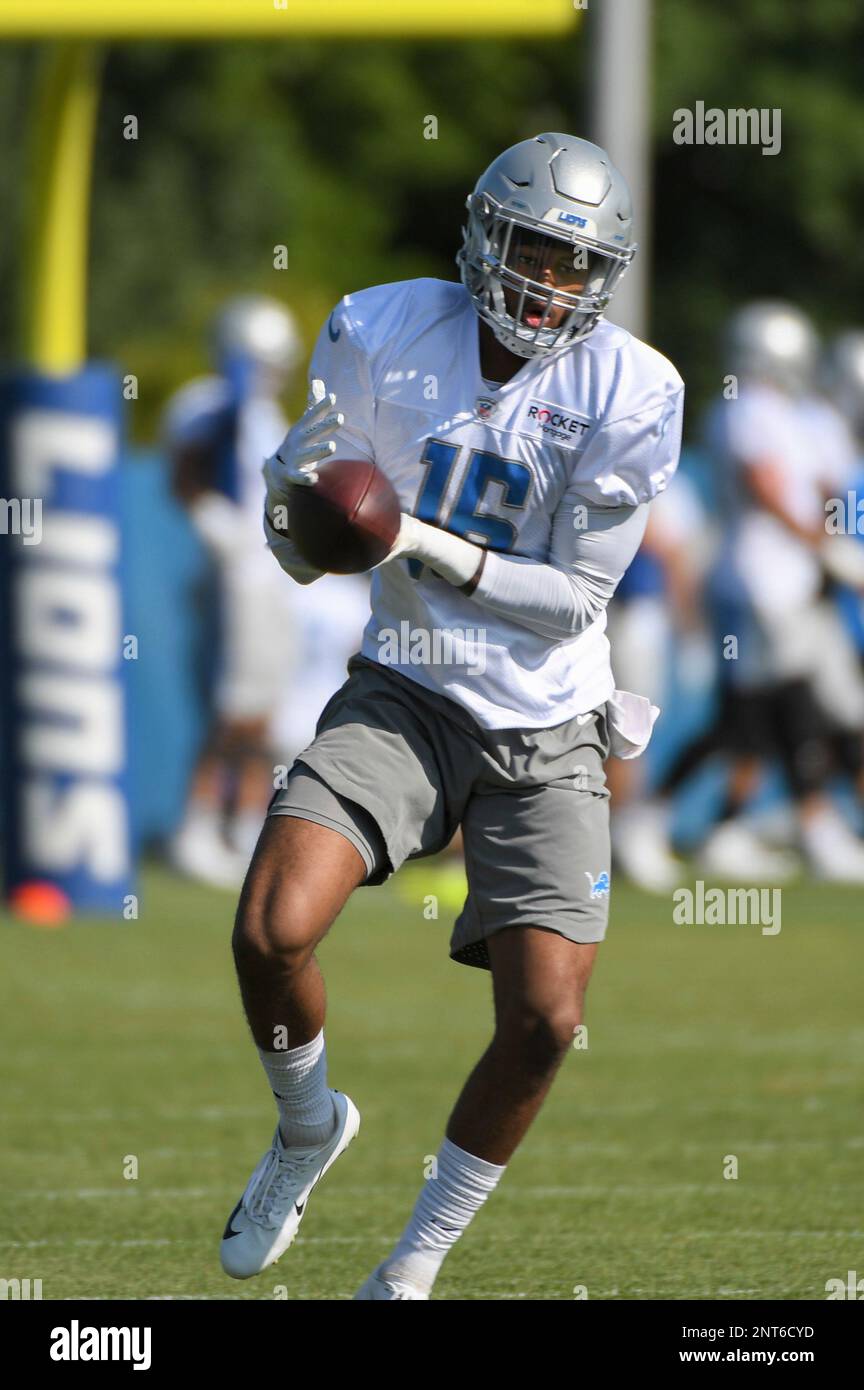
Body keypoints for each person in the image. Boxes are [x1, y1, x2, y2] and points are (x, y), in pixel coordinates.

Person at [221, 133, 684, 1299]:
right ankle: (307, 1123)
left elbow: (572, 599)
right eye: (534, 248)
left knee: (543, 1018)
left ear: (607, 276)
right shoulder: (381, 325)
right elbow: (299, 532)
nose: (548, 282)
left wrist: (413, 536)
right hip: (408, 687)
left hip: (550, 720)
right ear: (485, 234)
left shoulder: (636, 388)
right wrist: (314, 522)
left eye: (577, 264)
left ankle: (414, 1263)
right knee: (272, 926)